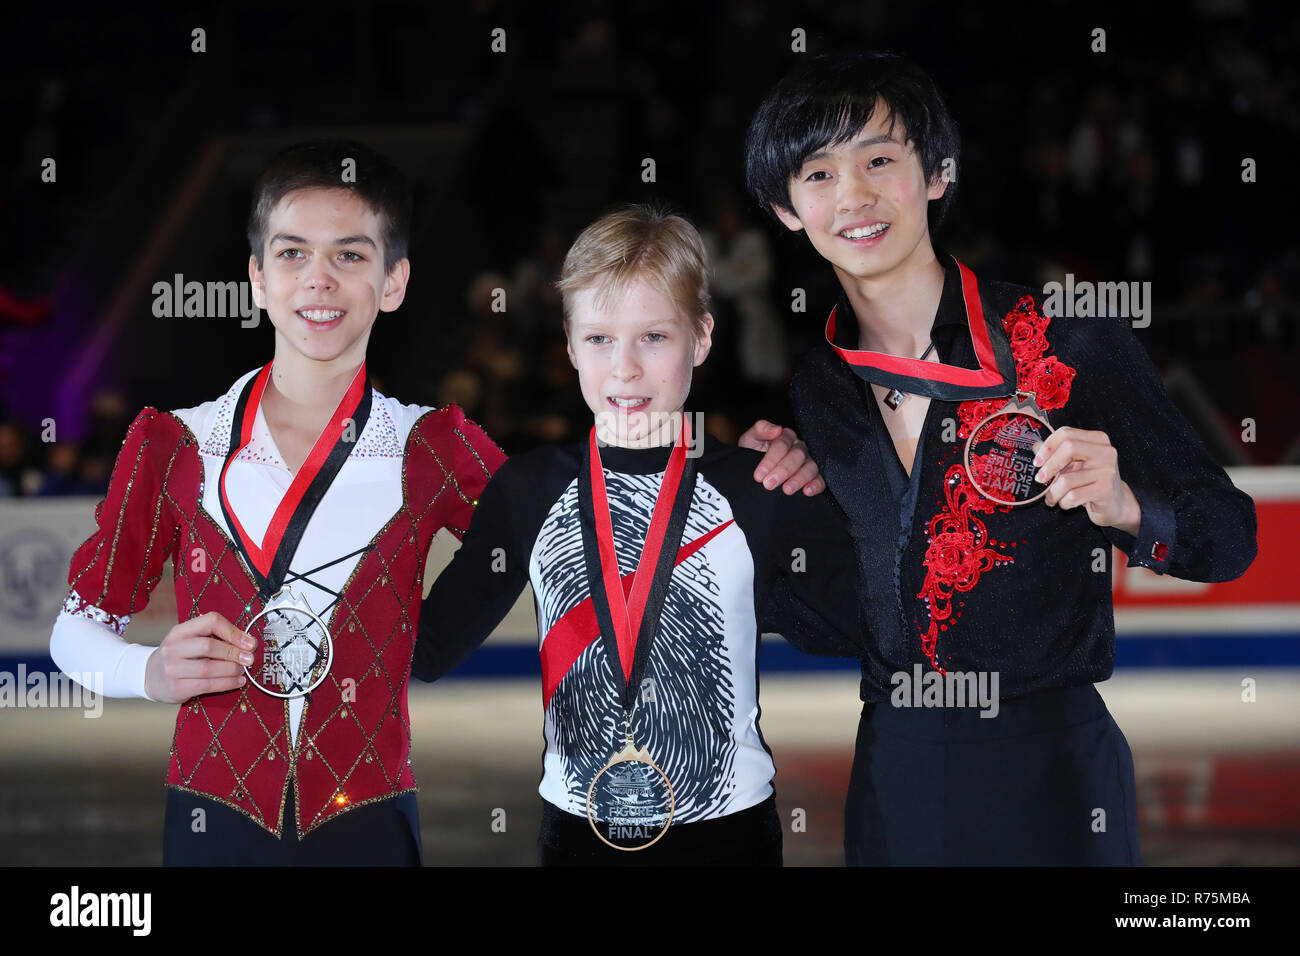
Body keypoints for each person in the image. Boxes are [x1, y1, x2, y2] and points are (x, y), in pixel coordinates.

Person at [48, 141, 823, 866]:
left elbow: (589, 496)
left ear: (393, 282)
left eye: (349, 255)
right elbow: (76, 629)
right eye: (292, 254)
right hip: (211, 815)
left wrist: (760, 475)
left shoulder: (436, 449)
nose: (318, 280)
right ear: (256, 277)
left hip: (370, 816)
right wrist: (147, 672)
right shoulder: (172, 445)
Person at [743, 51, 1258, 865]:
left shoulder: (1068, 340)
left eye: (881, 159)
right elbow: (874, 613)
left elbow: (1230, 538)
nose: (855, 197)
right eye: (818, 174)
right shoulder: (822, 388)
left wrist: (1126, 504)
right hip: (895, 767)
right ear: (785, 210)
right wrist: (765, 518)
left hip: (1053, 766)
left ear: (936, 175)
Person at [412, 205, 864, 866]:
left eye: (654, 337)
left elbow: (874, 624)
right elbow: (424, 650)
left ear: (702, 338)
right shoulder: (528, 490)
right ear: (567, 343)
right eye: (599, 339)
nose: (624, 368)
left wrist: (840, 481)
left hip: (729, 838)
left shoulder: (762, 484)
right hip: (578, 838)